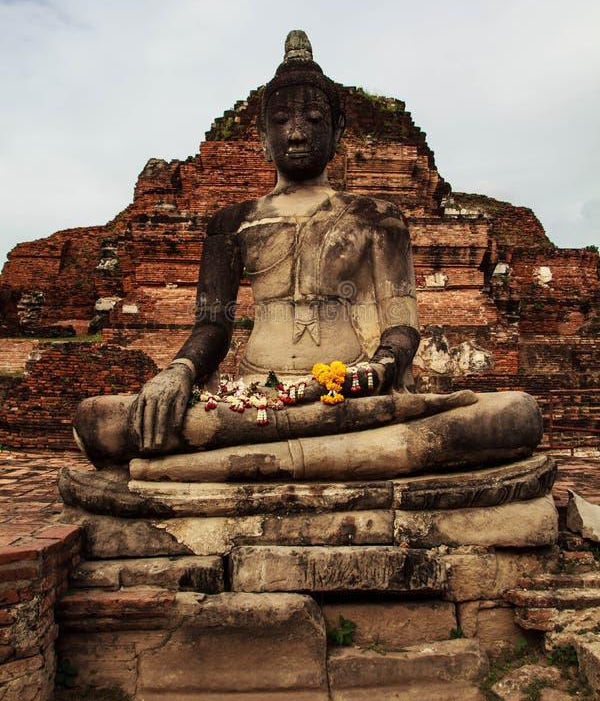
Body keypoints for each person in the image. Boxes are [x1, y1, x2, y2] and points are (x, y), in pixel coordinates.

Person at [74, 31, 541, 471]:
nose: (296, 133)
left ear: (338, 131)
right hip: (255, 396)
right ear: (261, 135)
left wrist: (379, 369)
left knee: (514, 415)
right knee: (98, 420)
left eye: (313, 120)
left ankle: (226, 467)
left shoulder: (377, 216)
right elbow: (212, 325)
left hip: (354, 393)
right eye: (280, 122)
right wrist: (176, 373)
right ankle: (337, 458)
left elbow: (401, 324)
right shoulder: (232, 221)